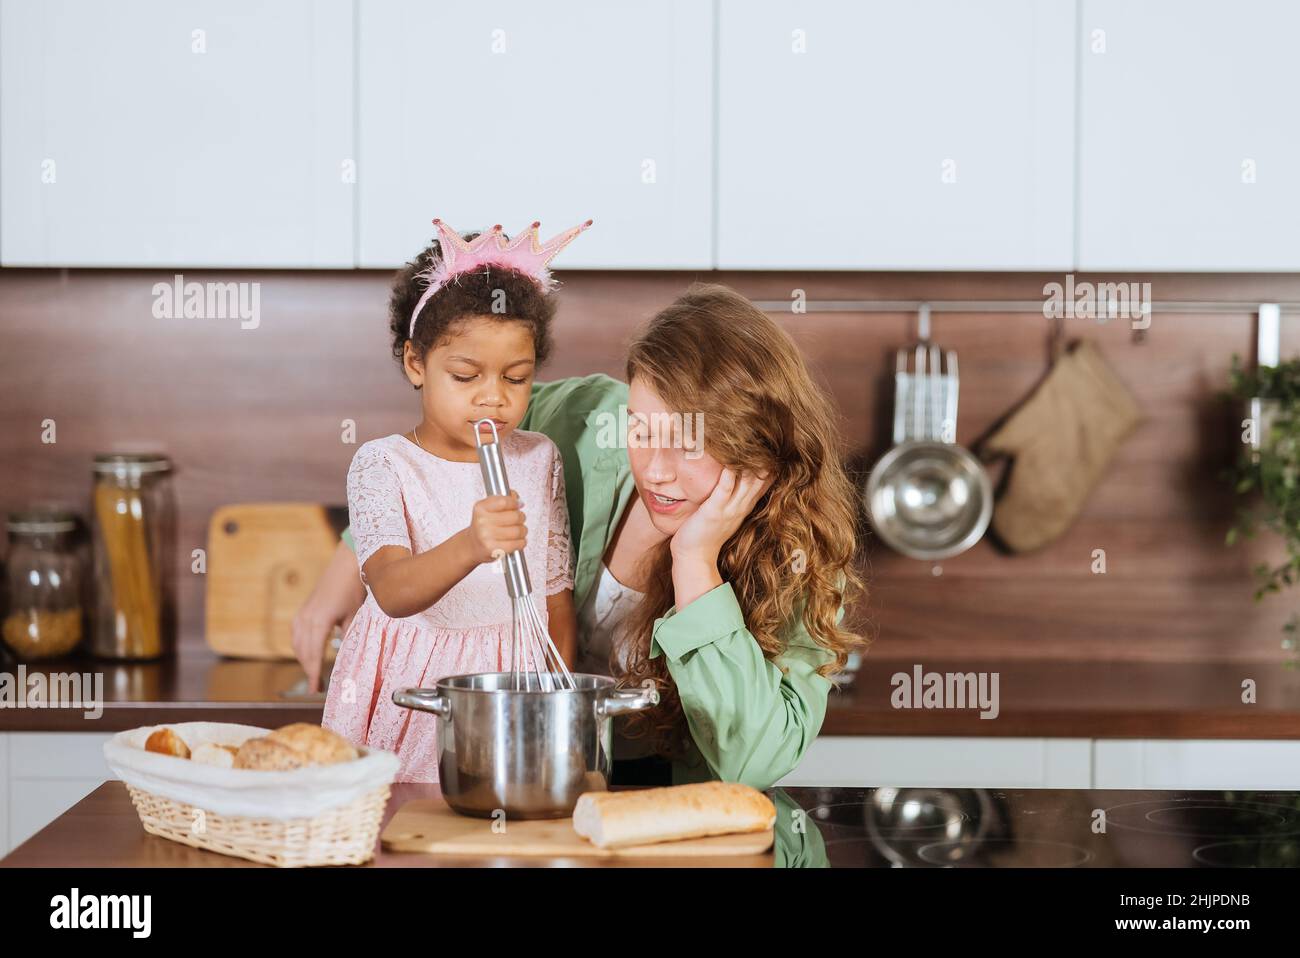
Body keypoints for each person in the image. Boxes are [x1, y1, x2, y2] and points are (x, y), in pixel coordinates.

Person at [298, 280, 867, 790]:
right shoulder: (581, 422)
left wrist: (696, 562)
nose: (657, 471)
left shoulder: (799, 550)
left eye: (691, 445)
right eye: (642, 430)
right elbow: (443, 451)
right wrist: (346, 565)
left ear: (755, 448)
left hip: (652, 803)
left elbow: (755, 761)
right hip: (525, 779)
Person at [320, 219, 589, 782]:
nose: (493, 397)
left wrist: (559, 714)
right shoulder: (384, 464)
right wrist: (471, 544)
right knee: (409, 827)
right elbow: (392, 591)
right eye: (466, 376)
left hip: (511, 688)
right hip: (417, 694)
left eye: (516, 378)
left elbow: (555, 603)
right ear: (416, 364)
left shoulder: (539, 460)